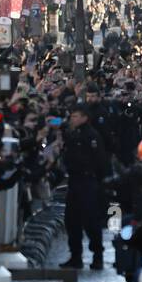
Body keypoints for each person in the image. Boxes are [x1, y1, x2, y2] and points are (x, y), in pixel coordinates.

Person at [61, 105, 110, 271]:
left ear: (84, 117)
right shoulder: (72, 134)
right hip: (74, 181)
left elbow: (100, 161)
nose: (72, 119)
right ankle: (76, 256)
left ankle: (97, 256)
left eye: (75, 116)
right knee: (72, 221)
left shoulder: (91, 135)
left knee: (91, 221)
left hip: (87, 181)